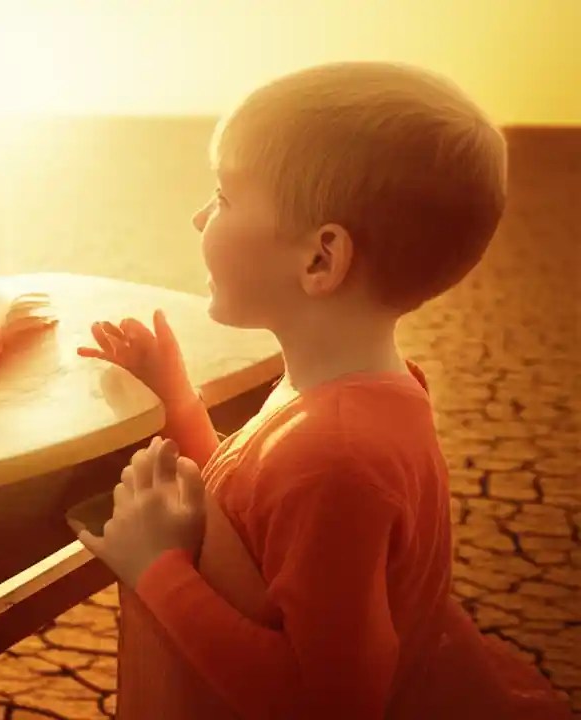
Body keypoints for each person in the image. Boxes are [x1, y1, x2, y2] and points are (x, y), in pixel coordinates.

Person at [75, 60, 570, 719]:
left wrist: (156, 569)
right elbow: (255, 521)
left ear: (320, 259)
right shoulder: (358, 398)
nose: (199, 218)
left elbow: (325, 702)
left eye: (223, 198)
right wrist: (180, 403)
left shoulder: (338, 458)